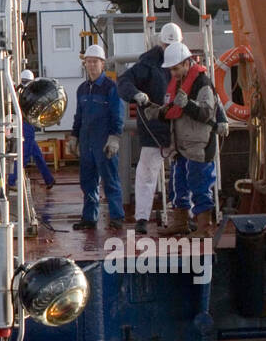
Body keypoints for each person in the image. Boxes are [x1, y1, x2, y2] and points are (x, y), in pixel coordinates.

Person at [143, 41, 217, 235]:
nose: (173, 73)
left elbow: (207, 113)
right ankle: (181, 223)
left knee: (200, 186)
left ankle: (204, 228)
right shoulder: (178, 83)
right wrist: (157, 112)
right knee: (179, 186)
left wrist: (188, 105)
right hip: (181, 146)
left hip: (198, 146)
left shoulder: (202, 83)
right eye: (171, 69)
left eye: (176, 68)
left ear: (186, 63)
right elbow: (173, 110)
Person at [117, 21, 183, 234]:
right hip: (156, 129)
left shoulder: (186, 64)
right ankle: (142, 218)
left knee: (183, 173)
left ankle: (185, 215)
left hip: (180, 129)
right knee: (147, 174)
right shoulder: (148, 64)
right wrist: (135, 94)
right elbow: (125, 81)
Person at [70, 43, 125, 232]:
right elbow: (79, 116)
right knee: (88, 181)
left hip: (104, 142)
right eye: (88, 62)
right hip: (87, 143)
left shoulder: (111, 88)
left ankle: (117, 217)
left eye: (95, 62)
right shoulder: (82, 89)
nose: (91, 65)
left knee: (110, 179)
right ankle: (89, 217)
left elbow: (117, 115)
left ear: (103, 64)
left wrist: (115, 138)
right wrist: (74, 136)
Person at [10, 68, 56, 189]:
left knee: (36, 154)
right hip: (26, 125)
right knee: (25, 154)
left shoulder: (16, 91)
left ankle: (49, 179)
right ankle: (12, 180)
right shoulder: (29, 93)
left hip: (22, 124)